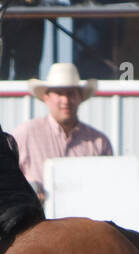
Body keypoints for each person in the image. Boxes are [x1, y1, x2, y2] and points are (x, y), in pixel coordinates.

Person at [10, 63, 113, 202]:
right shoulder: (23, 135)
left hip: (84, 220)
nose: (65, 100)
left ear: (80, 97)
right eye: (59, 93)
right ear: (47, 97)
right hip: (37, 220)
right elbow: (2, 180)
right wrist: (27, 193)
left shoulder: (99, 143)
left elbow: (110, 188)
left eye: (70, 93)